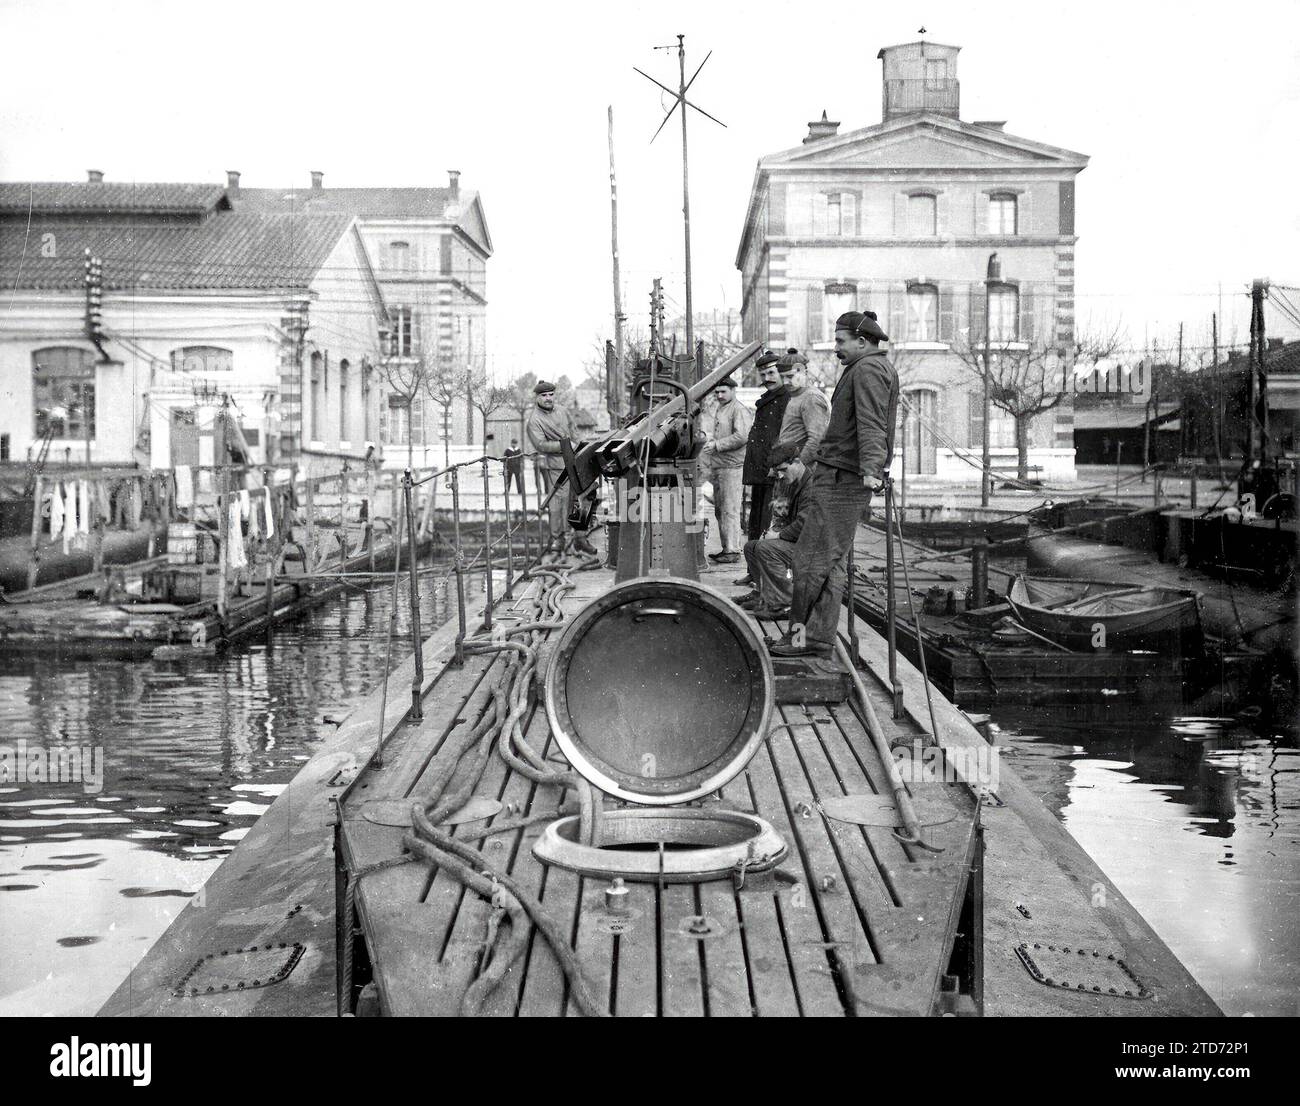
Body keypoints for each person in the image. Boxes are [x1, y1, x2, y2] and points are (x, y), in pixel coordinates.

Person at [770, 310, 898, 658]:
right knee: (831, 564)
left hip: (843, 479)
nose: (836, 348)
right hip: (840, 474)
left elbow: (872, 424)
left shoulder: (869, 369)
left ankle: (797, 640)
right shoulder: (864, 368)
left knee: (808, 562)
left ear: (862, 341)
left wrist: (871, 468)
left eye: (841, 342)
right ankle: (816, 638)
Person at [737, 442, 813, 620]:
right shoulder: (790, 481)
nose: (779, 475)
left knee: (766, 550)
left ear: (797, 462)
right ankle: (763, 596)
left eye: (782, 469)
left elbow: (805, 524)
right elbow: (781, 514)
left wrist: (777, 536)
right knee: (752, 547)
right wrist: (772, 530)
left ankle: (784, 604)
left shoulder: (811, 486)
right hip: (796, 540)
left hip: (811, 546)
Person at [526, 381, 597, 555]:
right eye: (544, 395)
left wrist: (580, 447)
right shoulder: (534, 420)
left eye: (551, 394)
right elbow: (540, 445)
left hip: (577, 462)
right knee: (558, 505)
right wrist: (564, 445)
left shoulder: (563, 411)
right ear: (537, 397)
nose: (548, 398)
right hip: (557, 467)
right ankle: (558, 541)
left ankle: (581, 538)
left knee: (585, 497)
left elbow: (574, 431)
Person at [700, 375, 752, 564]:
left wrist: (717, 445)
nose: (720, 395)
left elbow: (742, 436)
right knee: (721, 509)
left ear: (733, 390)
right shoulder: (723, 408)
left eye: (723, 391)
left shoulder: (738, 409)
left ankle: (732, 550)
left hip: (732, 467)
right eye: (717, 392)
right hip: (721, 466)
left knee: (729, 509)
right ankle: (727, 549)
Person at [742, 349, 792, 545]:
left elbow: (786, 437)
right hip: (762, 471)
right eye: (763, 374)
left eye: (771, 373)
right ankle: (754, 571)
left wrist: (777, 466)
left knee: (771, 524)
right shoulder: (768, 399)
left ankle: (764, 573)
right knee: (756, 522)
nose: (767, 378)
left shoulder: (787, 399)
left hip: (775, 473)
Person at [773, 348, 830, 466]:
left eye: (790, 376)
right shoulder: (794, 396)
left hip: (805, 472)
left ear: (805, 373)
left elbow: (816, 440)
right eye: (782, 377)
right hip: (789, 465)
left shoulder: (811, 398)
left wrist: (798, 467)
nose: (785, 382)